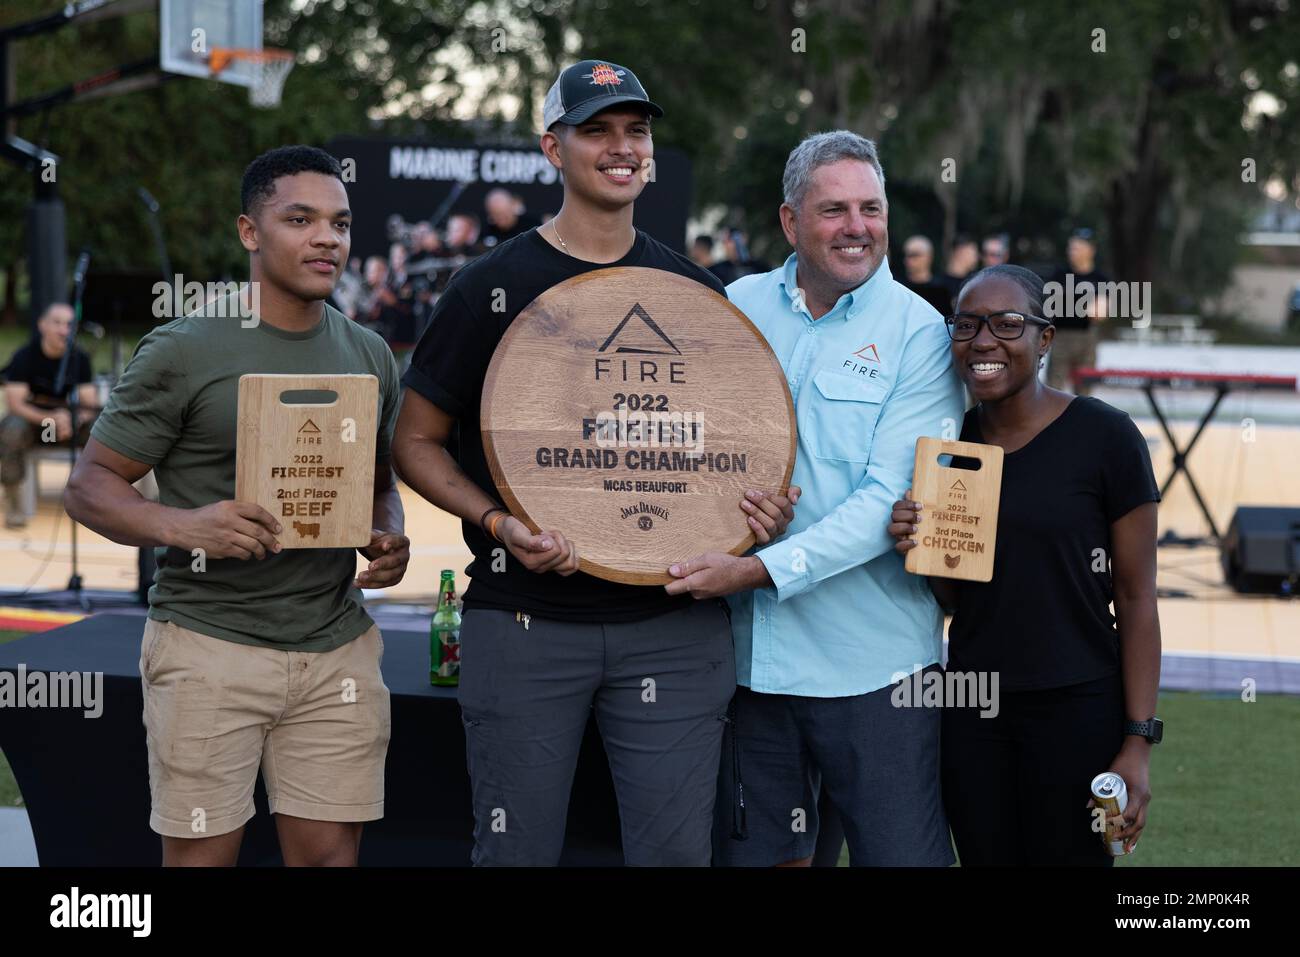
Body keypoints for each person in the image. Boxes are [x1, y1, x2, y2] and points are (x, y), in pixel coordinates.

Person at [391, 59, 797, 867]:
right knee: (516, 855)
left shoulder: (690, 293)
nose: (622, 147)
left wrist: (756, 518)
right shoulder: (492, 287)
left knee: (676, 857)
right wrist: (499, 519)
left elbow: (732, 455)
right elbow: (413, 439)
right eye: (597, 129)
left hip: (675, 628)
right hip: (525, 618)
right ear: (552, 147)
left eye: (636, 131)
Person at [65, 145, 410, 867]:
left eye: (340, 224)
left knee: (327, 860)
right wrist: (183, 525)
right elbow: (89, 483)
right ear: (250, 233)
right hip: (209, 645)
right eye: (300, 218)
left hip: (335, 648)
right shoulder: (185, 348)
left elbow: (379, 477)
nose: (327, 238)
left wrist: (388, 531)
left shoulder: (369, 353)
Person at [667, 131, 964, 866]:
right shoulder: (732, 307)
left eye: (871, 207)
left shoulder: (921, 334)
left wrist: (758, 569)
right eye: (833, 210)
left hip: (876, 669)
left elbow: (886, 498)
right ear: (790, 222)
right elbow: (687, 452)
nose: (857, 226)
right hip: (747, 664)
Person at [888, 264, 1162, 866]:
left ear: (1044, 338)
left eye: (1007, 324)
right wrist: (920, 545)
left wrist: (1138, 740)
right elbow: (957, 599)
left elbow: (1138, 598)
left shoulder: (1107, 438)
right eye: (966, 325)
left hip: (1080, 709)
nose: (983, 341)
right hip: (973, 713)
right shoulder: (948, 444)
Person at [1, 302, 97, 528]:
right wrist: (49, 419)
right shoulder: (25, 356)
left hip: (69, 426)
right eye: (57, 323)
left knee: (101, 428)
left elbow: (89, 404)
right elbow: (15, 403)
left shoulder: (80, 358)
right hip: (35, 426)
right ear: (42, 325)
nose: (64, 330)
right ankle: (14, 501)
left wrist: (74, 419)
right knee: (11, 428)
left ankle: (94, 498)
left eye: (69, 324)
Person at [1046, 228, 1111, 393]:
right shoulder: (1060, 274)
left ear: (1090, 250)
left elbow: (1101, 313)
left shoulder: (1100, 278)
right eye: (1071, 247)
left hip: (1087, 338)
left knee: (1084, 389)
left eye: (1077, 248)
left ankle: (1082, 418)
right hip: (1061, 336)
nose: (1071, 252)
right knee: (1053, 387)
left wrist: (1097, 310)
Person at [899, 235, 955, 314]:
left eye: (914, 255)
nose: (908, 259)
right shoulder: (899, 287)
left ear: (929, 257)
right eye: (906, 255)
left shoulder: (941, 290)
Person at [938, 233, 978, 303]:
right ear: (960, 251)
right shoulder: (938, 285)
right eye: (974, 253)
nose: (976, 258)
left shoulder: (975, 282)